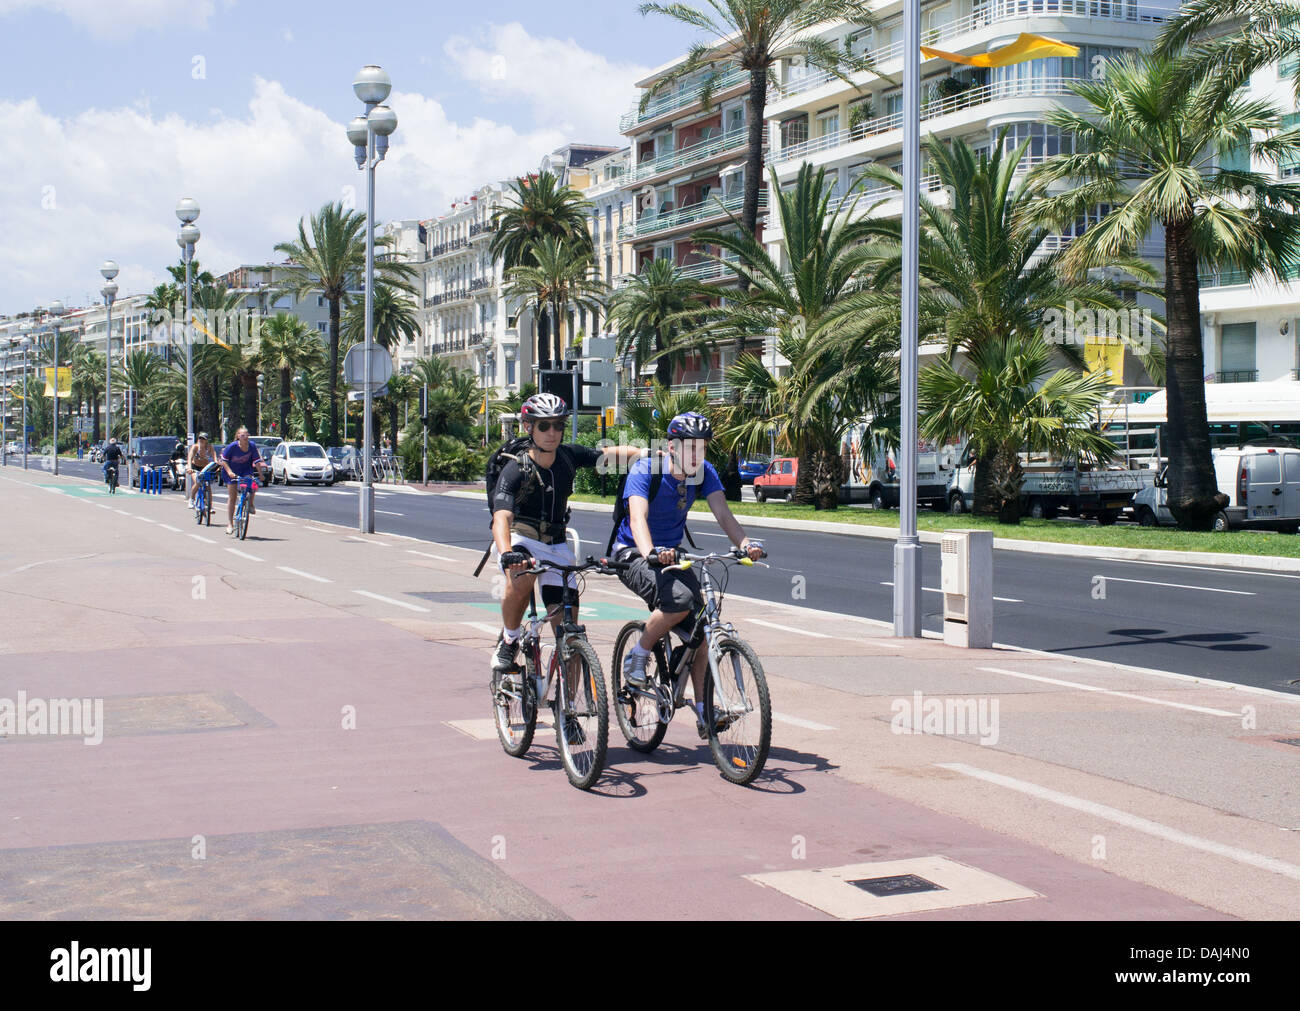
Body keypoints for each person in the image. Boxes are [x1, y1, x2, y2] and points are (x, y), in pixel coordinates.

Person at [610, 411, 765, 738]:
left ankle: (705, 711)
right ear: (671, 446)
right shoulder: (646, 468)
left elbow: (723, 513)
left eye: (702, 447)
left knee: (705, 628)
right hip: (633, 553)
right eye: (689, 447)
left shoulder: (704, 472)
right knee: (679, 601)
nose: (696, 454)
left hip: (673, 555)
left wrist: (745, 543)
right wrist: (650, 551)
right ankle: (638, 656)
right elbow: (638, 518)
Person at [491, 393, 648, 680]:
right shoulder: (516, 468)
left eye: (558, 425)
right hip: (521, 540)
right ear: (528, 426)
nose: (552, 433)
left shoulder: (567, 456)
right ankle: (510, 638)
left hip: (556, 545)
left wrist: (647, 453)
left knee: (571, 635)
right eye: (544, 426)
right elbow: (501, 517)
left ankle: (571, 715)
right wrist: (505, 553)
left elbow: (608, 455)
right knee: (522, 574)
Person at [219, 426, 267, 534]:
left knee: (254, 485)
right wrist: (230, 472)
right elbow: (224, 461)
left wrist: (261, 474)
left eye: (247, 434)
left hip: (246, 470)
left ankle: (250, 503)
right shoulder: (232, 447)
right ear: (238, 437)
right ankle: (230, 523)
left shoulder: (252, 446)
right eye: (242, 435)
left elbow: (257, 461)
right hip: (231, 471)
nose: (245, 437)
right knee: (233, 497)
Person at [186, 433, 217, 507]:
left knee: (207, 485)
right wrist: (189, 468)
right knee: (198, 482)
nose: (201, 440)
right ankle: (191, 499)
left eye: (203, 439)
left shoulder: (209, 447)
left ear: (206, 440)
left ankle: (209, 505)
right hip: (195, 467)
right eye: (200, 438)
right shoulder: (195, 447)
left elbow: (215, 457)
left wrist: (217, 466)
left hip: (205, 468)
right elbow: (190, 458)